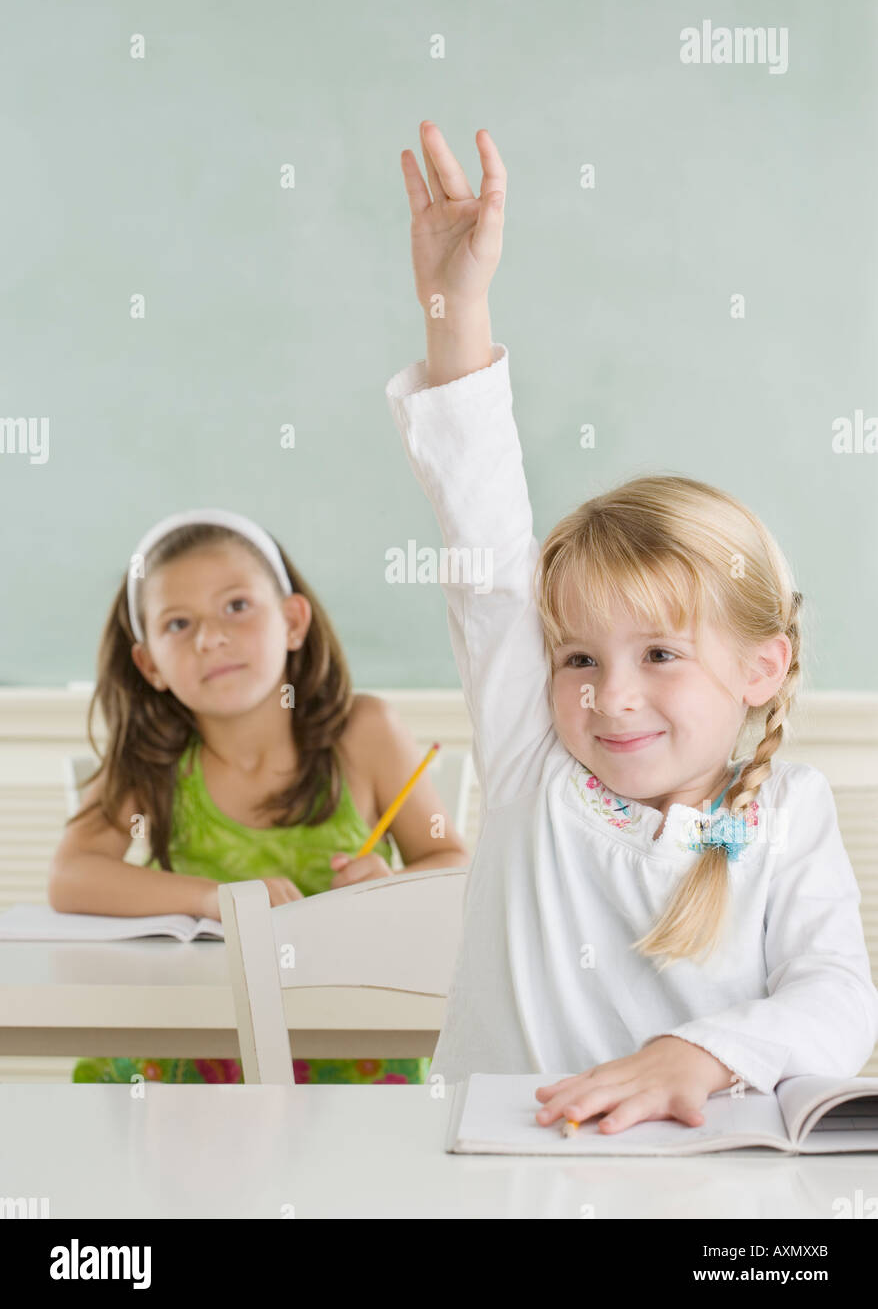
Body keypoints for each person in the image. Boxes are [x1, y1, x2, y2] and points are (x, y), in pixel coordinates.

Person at [383, 119, 878, 1135]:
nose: (608, 694)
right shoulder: (534, 758)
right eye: (575, 656)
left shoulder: (785, 812)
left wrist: (690, 1056)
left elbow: (838, 1003)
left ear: (759, 666)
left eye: (659, 653)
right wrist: (455, 302)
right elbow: (482, 525)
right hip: (489, 1188)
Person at [50, 507, 469, 1085]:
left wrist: (387, 886)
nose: (212, 637)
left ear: (293, 621)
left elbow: (452, 863)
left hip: (353, 1048)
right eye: (178, 624)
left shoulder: (366, 732)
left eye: (237, 606)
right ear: (149, 665)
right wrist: (217, 898)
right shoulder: (150, 761)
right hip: (193, 1050)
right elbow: (72, 875)